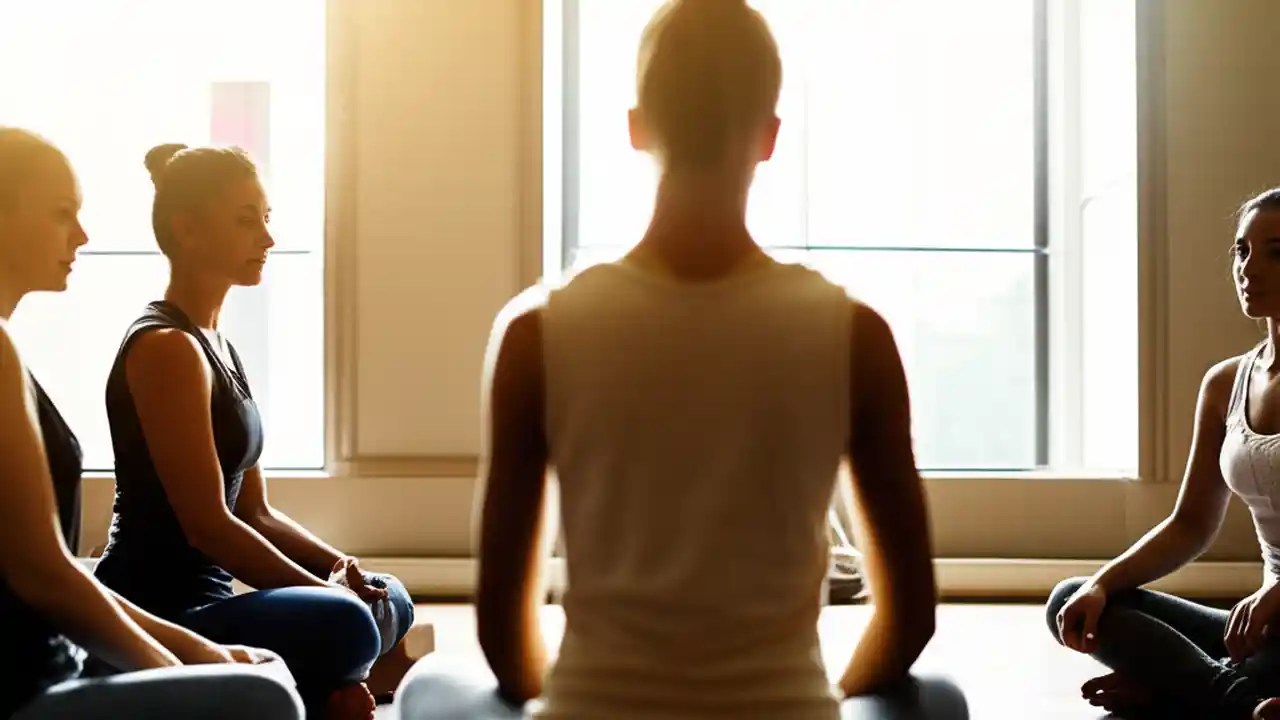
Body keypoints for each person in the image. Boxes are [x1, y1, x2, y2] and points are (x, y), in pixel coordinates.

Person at [397, 1, 966, 718]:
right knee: (937, 697)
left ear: (636, 129)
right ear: (769, 138)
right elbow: (910, 617)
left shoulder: (535, 333)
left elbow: (505, 645)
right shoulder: (857, 335)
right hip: (783, 708)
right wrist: (826, 699)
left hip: (593, 708)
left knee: (425, 686)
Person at [92, 143, 413, 719]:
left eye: (266, 220)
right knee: (346, 622)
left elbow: (256, 511)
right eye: (246, 222)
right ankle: (320, 687)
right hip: (163, 611)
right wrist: (330, 598)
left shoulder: (220, 346)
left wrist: (345, 570)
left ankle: (315, 687)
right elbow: (209, 526)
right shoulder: (166, 349)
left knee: (391, 598)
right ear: (186, 230)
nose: (266, 239)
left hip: (214, 603)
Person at [0, 127, 303, 719]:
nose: (83, 235)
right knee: (268, 699)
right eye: (62, 213)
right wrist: (190, 673)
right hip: (26, 687)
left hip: (59, 662)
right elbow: (45, 575)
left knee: (261, 671)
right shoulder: (162, 346)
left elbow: (57, 573)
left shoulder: (8, 348)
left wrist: (208, 656)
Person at [1047, 188, 1280, 719]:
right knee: (1072, 600)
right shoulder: (1226, 383)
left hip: (1272, 619)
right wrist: (1101, 584)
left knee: (1230, 667)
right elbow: (1190, 525)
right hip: (1259, 630)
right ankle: (1226, 695)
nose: (1249, 267)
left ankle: (1216, 697)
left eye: (1276, 251)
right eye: (1241, 251)